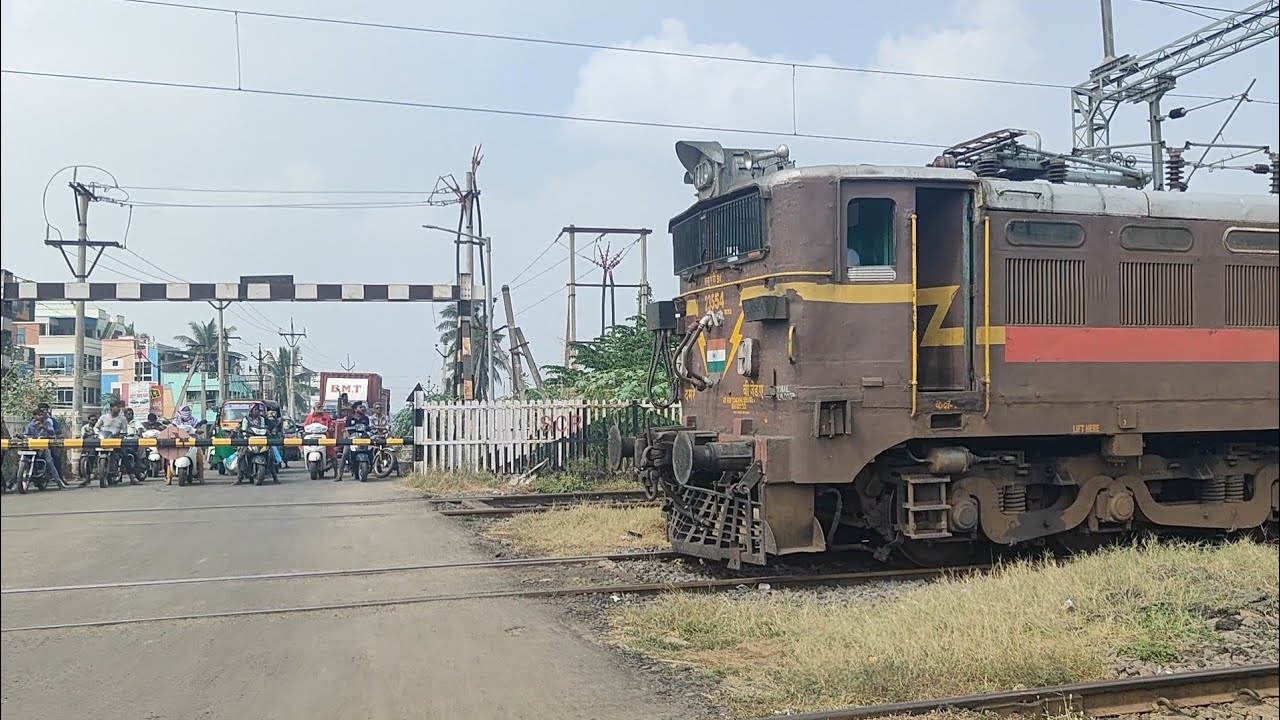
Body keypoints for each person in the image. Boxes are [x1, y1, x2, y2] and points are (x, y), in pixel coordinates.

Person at [23, 407, 66, 488]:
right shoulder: (30, 425)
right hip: (32, 446)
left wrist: (43, 427)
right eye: (39, 415)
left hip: (44, 446)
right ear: (35, 416)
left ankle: (59, 482)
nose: (41, 417)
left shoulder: (47, 423)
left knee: (49, 461)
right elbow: (26, 434)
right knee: (23, 460)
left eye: (42, 415)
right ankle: (15, 481)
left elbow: (52, 433)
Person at [336, 401, 372, 482]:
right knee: (345, 453)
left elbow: (368, 430)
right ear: (355, 409)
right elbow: (346, 430)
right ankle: (339, 475)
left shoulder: (365, 419)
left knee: (370, 450)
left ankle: (373, 466)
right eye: (360, 407)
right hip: (352, 438)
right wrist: (349, 439)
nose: (363, 409)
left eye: (363, 407)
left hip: (363, 439)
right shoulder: (350, 418)